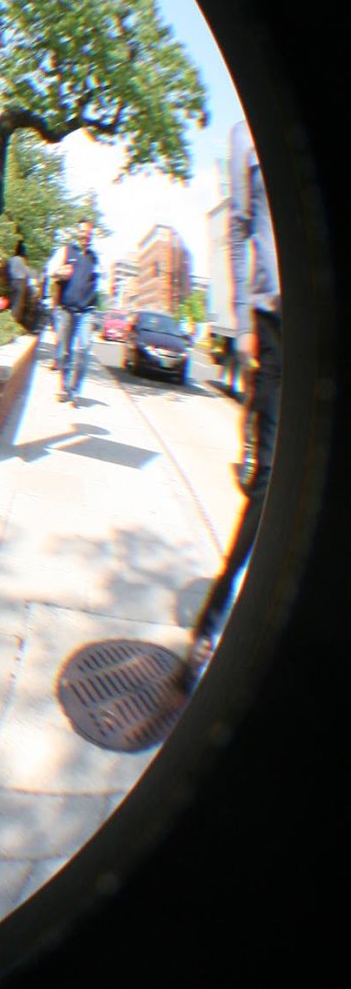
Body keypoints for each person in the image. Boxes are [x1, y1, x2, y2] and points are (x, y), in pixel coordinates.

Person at [187, 121, 279, 687]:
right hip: (276, 319)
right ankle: (216, 618)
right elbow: (240, 227)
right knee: (269, 476)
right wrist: (244, 320)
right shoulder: (247, 135)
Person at [47, 219, 100, 404]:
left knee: (84, 348)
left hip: (86, 310)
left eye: (89, 233)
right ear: (78, 233)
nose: (85, 236)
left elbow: (97, 283)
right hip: (66, 309)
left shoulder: (94, 258)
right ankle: (64, 387)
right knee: (64, 351)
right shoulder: (66, 251)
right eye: (83, 232)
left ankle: (75, 391)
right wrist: (61, 272)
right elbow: (51, 272)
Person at [7, 240, 33, 328]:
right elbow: (27, 272)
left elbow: (9, 270)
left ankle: (8, 318)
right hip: (21, 281)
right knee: (18, 303)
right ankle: (14, 321)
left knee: (12, 300)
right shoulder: (23, 260)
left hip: (12, 281)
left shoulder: (11, 259)